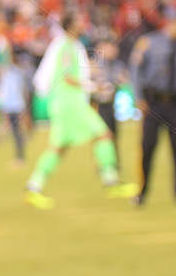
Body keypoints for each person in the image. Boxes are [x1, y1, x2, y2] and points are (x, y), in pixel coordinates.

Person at [24, 12, 135, 209]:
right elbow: (66, 77)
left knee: (59, 148)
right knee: (103, 135)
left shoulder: (71, 46)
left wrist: (89, 73)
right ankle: (110, 181)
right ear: (71, 25)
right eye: (78, 21)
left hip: (65, 103)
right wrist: (92, 86)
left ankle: (34, 186)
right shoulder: (66, 46)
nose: (83, 23)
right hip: (70, 103)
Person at [131, 16, 176, 205]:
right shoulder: (150, 42)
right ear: (173, 23)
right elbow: (136, 69)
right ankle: (142, 191)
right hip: (153, 104)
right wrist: (138, 97)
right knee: (147, 148)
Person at [89, 37, 125, 170]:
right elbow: (88, 84)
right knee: (102, 135)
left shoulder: (117, 65)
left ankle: (113, 162)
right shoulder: (94, 65)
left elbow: (123, 80)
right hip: (98, 105)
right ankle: (102, 163)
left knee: (114, 134)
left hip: (111, 105)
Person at [0, 33, 28, 162]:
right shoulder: (6, 73)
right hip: (11, 105)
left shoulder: (14, 72)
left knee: (17, 131)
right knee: (14, 131)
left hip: (16, 105)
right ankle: (19, 155)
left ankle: (20, 156)